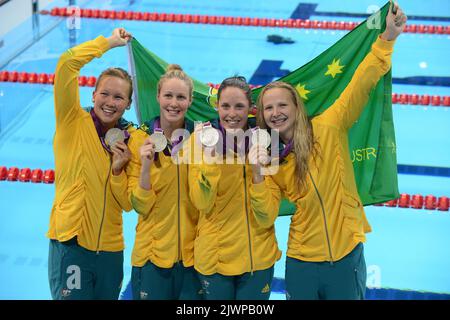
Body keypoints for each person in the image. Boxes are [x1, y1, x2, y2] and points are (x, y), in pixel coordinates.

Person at [251, 3, 407, 300]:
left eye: (282, 104)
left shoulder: (329, 127)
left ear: (297, 107)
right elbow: (266, 213)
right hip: (301, 261)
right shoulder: (267, 156)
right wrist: (258, 174)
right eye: (268, 107)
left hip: (346, 255)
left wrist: (387, 40)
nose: (275, 112)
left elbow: (360, 85)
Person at [47, 28, 136, 300]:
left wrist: (119, 170)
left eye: (119, 97)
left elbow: (128, 204)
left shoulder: (129, 139)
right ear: (93, 94)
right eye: (105, 94)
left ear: (129, 103)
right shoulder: (71, 121)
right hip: (71, 242)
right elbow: (66, 63)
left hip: (110, 248)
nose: (110, 102)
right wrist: (108, 43)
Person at [188, 76, 281, 300]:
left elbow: (267, 216)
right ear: (217, 107)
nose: (232, 114)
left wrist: (257, 171)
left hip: (257, 259)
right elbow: (201, 202)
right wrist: (211, 163)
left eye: (239, 106)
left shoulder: (266, 143)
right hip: (215, 259)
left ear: (250, 109)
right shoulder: (199, 141)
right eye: (226, 106)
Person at [127, 64, 202, 300]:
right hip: (152, 256)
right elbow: (139, 206)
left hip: (194, 257)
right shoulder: (139, 138)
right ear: (158, 96)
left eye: (181, 97)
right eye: (168, 95)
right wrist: (146, 166)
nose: (173, 103)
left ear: (190, 101)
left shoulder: (200, 140)